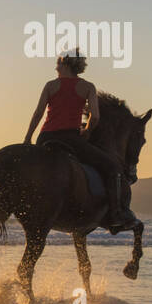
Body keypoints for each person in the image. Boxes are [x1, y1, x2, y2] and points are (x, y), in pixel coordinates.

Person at [23, 47, 135, 229]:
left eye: (58, 62)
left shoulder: (50, 85)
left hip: (45, 138)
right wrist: (88, 131)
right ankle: (116, 213)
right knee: (112, 167)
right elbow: (95, 116)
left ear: (66, 64)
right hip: (70, 139)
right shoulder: (87, 87)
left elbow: (38, 113)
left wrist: (28, 138)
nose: (56, 66)